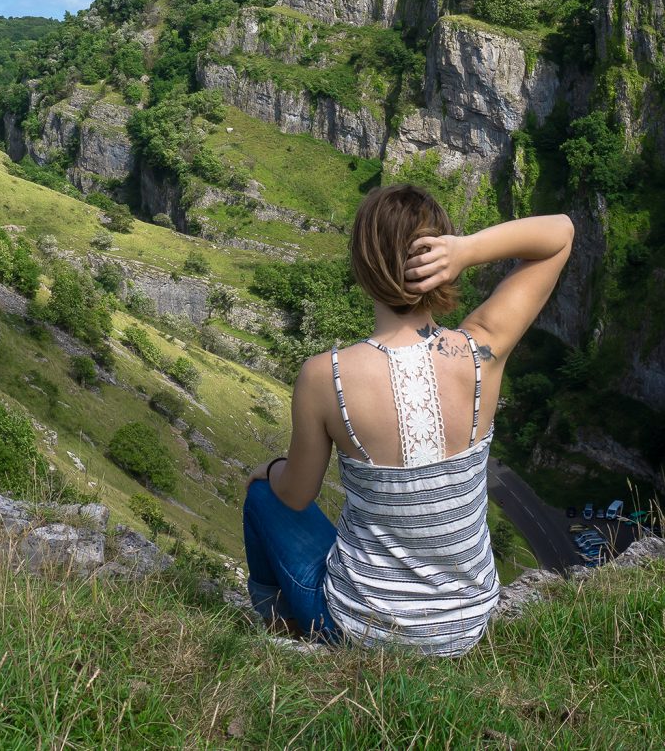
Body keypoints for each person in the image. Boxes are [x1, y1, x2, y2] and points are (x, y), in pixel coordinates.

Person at [243, 183, 574, 656]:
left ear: (362, 267)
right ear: (438, 263)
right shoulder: (481, 351)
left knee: (263, 497)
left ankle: (281, 634)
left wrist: (271, 470)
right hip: (468, 625)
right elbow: (560, 233)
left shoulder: (325, 377)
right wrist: (466, 250)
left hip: (362, 633)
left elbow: (296, 495)